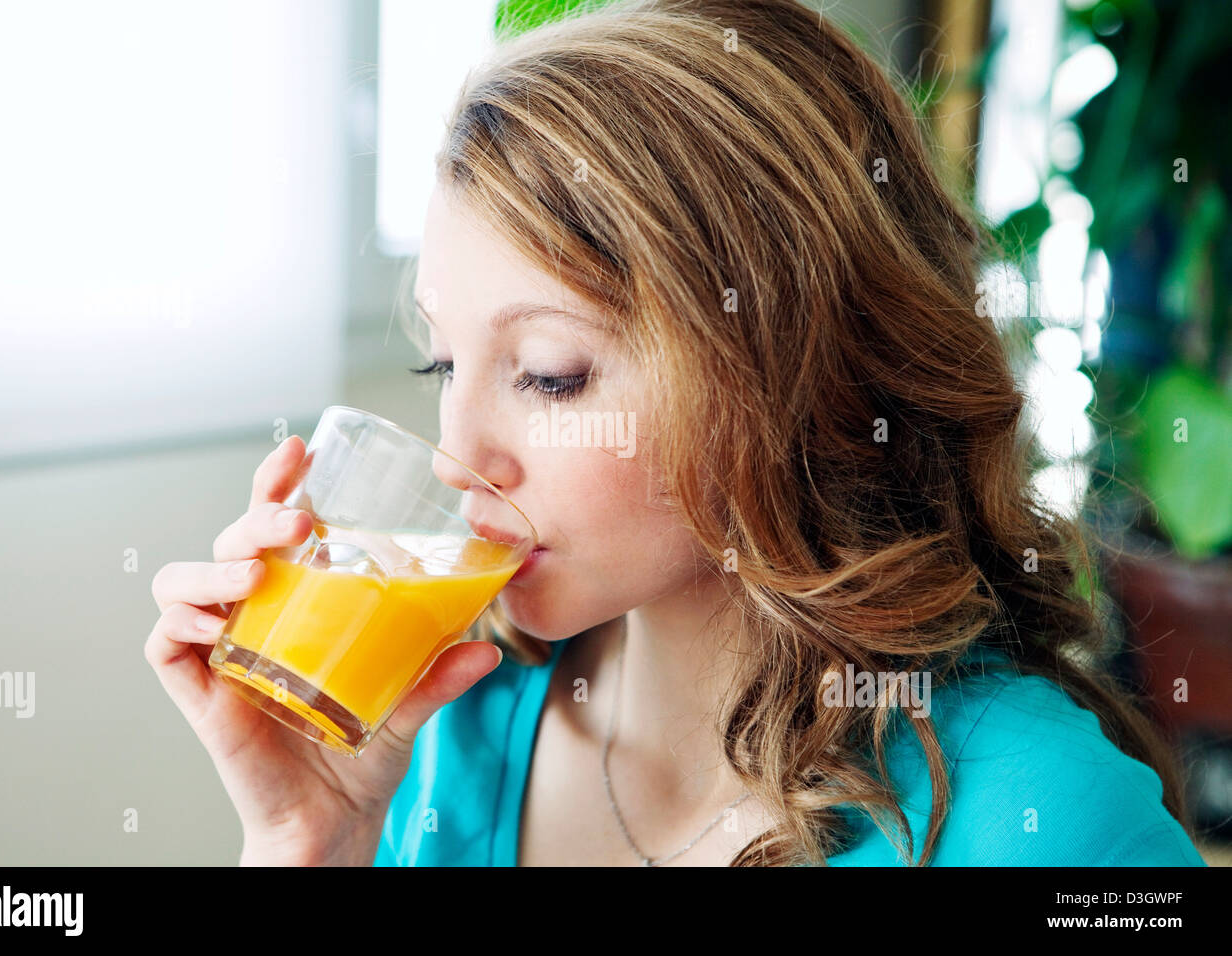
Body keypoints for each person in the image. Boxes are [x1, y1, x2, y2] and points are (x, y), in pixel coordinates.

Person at [147, 0, 1207, 866]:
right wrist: (308, 838)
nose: (455, 450)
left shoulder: (1041, 816)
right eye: (443, 362)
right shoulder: (443, 734)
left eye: (550, 375)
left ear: (786, 369)